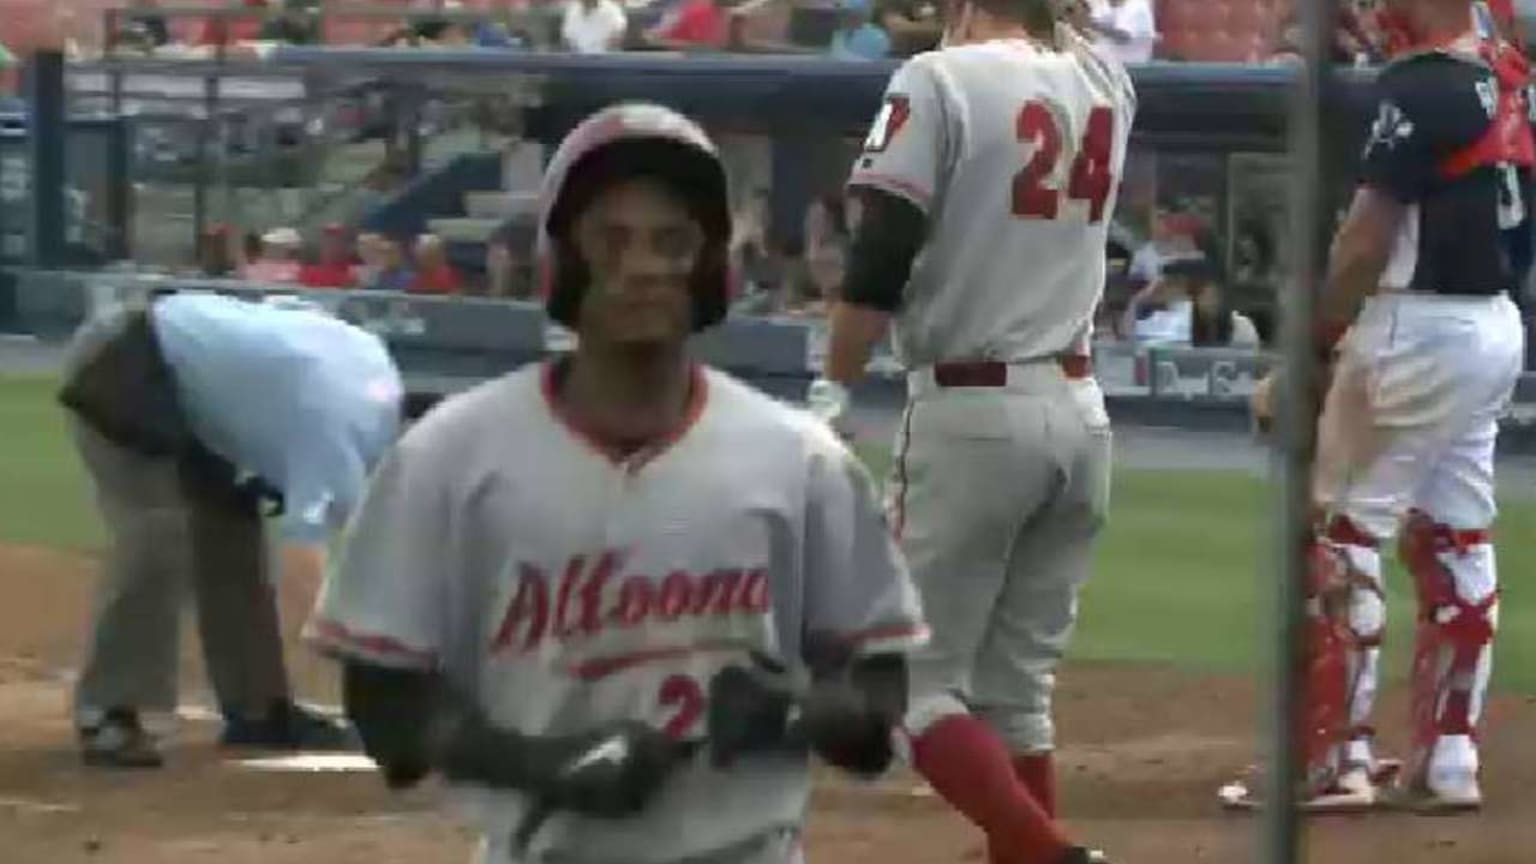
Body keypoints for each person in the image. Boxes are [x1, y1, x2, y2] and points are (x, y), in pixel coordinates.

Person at [305, 102, 928, 864]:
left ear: (712, 268)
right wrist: (540, 762)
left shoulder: (801, 461)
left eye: (673, 242)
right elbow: (384, 707)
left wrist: (796, 712)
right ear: (562, 261)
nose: (643, 267)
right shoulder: (450, 456)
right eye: (612, 240)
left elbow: (879, 701)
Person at [807, 0, 1133, 860]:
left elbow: (880, 257)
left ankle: (1050, 855)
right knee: (1015, 693)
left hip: (972, 411)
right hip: (1080, 409)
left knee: (900, 686)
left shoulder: (934, 80)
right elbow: (1044, 46)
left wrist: (830, 395)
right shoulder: (1107, 81)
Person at [1242, 0, 1531, 811]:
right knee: (1455, 533)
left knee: (1339, 531)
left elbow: (1365, 240)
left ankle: (1332, 762)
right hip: (1492, 323)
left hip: (1414, 321)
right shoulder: (1509, 78)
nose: (1374, 10)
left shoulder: (1422, 84)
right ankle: (1447, 759)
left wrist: (1309, 350)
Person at [57, 291, 404, 768]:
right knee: (158, 531)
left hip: (200, 394)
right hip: (126, 362)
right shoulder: (335, 439)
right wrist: (365, 662)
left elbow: (284, 310)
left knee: (231, 522)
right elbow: (306, 562)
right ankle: (110, 709)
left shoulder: (377, 370)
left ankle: (257, 709)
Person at [1085, 0, 1155, 65]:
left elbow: (1124, 37)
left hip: (1128, 66)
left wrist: (1097, 27)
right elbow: (1096, 21)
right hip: (1107, 63)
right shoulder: (1112, 7)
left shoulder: (1137, 7)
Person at [561, 0, 628, 53]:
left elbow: (619, 33)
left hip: (605, 60)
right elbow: (567, 37)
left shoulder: (612, 10)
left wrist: (613, 40)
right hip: (578, 61)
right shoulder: (572, 11)